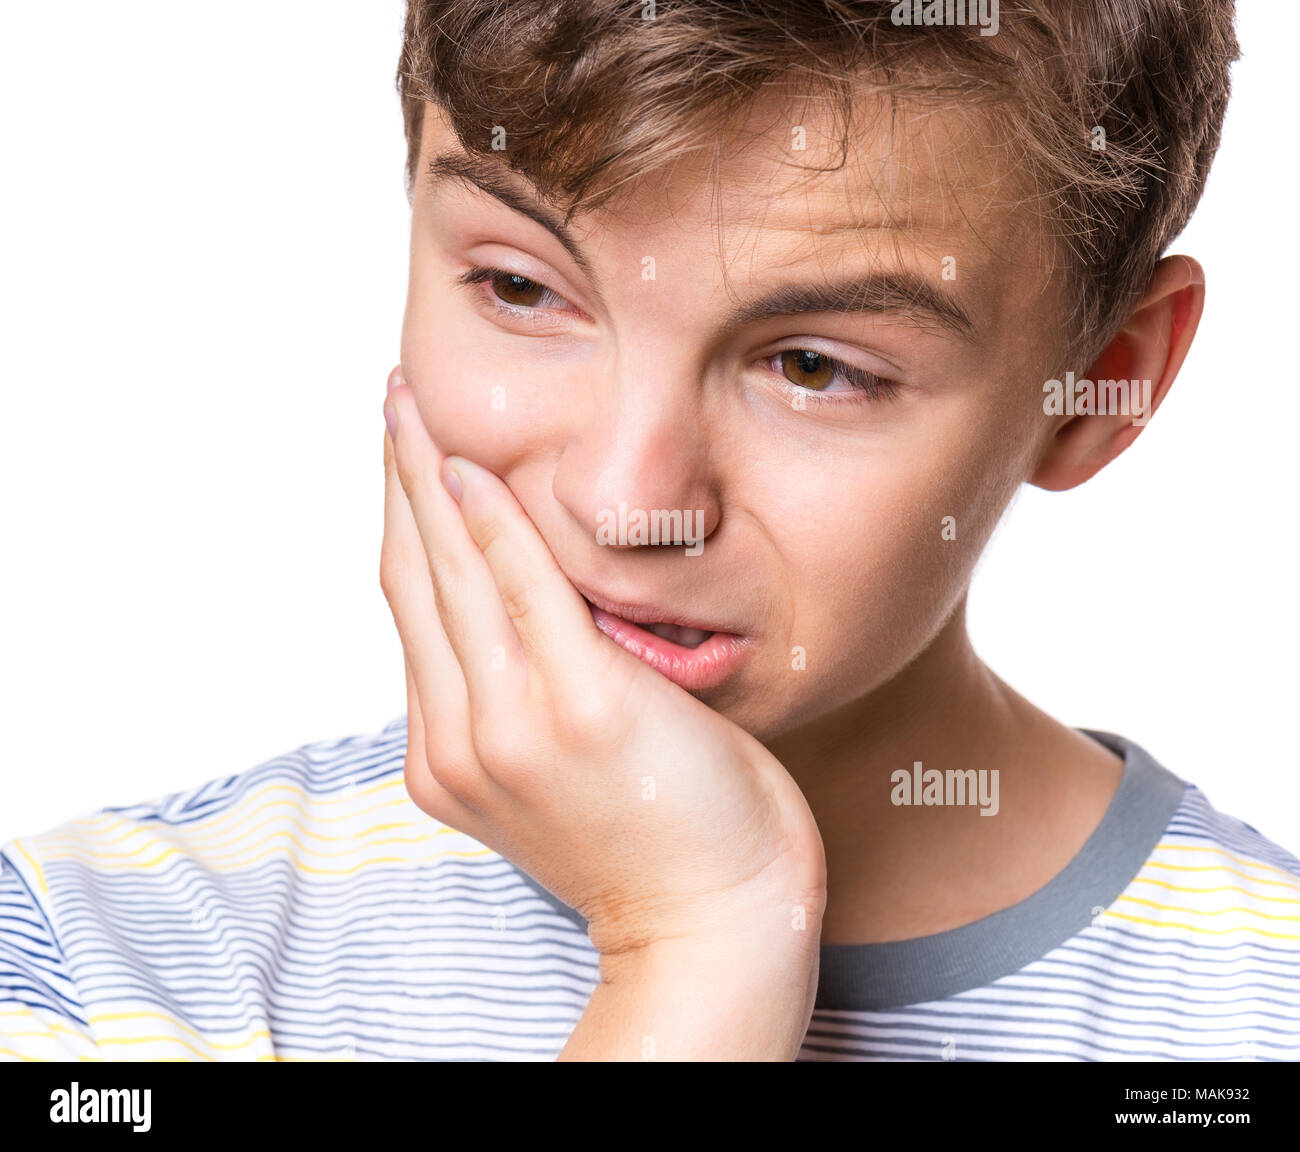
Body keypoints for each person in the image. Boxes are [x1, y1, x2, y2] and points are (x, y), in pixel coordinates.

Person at [4, 0, 1295, 1062]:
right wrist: (698, 952)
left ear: (1102, 382)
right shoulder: (96, 955)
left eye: (814, 366)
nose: (628, 498)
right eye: (520, 287)